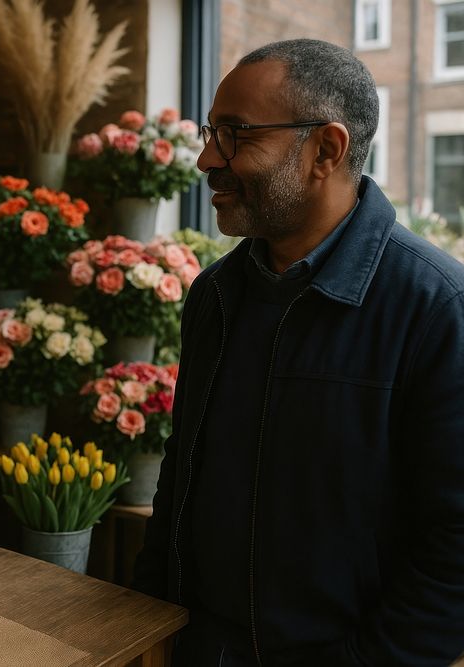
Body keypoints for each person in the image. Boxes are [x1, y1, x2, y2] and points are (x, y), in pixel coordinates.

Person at [132, 39, 464, 665]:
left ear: (326, 150)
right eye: (212, 132)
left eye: (236, 135)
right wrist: (150, 623)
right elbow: (181, 478)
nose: (207, 158)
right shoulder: (215, 293)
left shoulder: (436, 309)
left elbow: (455, 555)